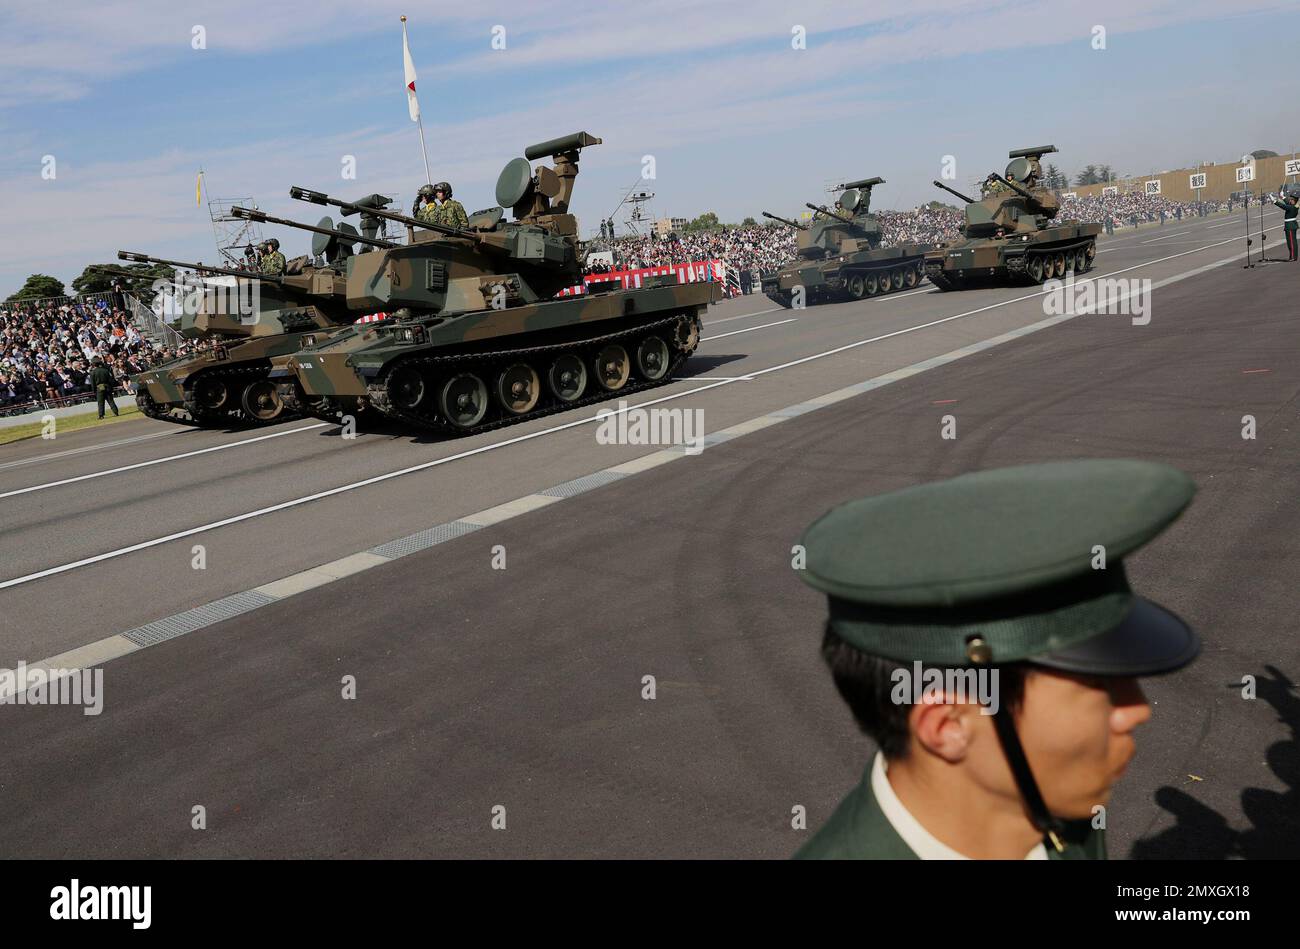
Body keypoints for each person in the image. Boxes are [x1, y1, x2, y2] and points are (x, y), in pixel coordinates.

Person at [793, 459, 1200, 860]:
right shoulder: (1052, 799)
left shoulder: (1055, 809)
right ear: (947, 725)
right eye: (1099, 685)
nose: (1136, 710)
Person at [1272, 191, 1298, 261]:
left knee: (1291, 243)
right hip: (1292, 225)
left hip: (1290, 226)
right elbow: (1287, 203)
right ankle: (1294, 256)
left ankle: (1292, 257)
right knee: (1293, 242)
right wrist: (1282, 197)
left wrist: (1275, 201)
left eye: (1291, 199)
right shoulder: (1294, 206)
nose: (1290, 200)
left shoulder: (1291, 207)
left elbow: (1283, 206)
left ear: (1294, 201)